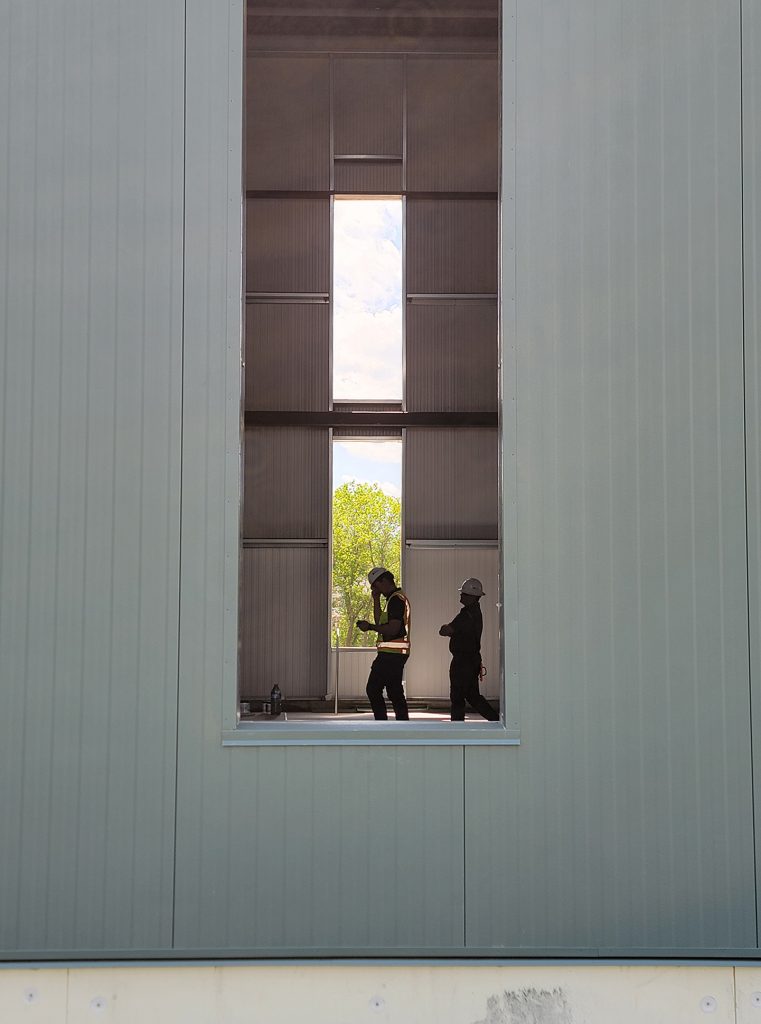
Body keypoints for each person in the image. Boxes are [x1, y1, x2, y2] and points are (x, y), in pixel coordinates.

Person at [439, 578, 499, 722]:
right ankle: (495, 719)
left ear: (472, 596)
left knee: (458, 696)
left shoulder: (466, 615)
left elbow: (445, 631)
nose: (461, 596)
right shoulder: (474, 613)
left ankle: (457, 727)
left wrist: (445, 627)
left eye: (464, 594)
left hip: (463, 662)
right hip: (471, 660)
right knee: (472, 695)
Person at [356, 567, 411, 720]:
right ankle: (402, 724)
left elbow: (392, 629)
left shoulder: (396, 600)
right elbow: (380, 620)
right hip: (394, 653)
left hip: (391, 654)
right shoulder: (393, 599)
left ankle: (382, 723)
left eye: (375, 585)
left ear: (384, 581)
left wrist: (370, 627)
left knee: (373, 689)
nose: (375, 589)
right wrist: (375, 600)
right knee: (394, 691)